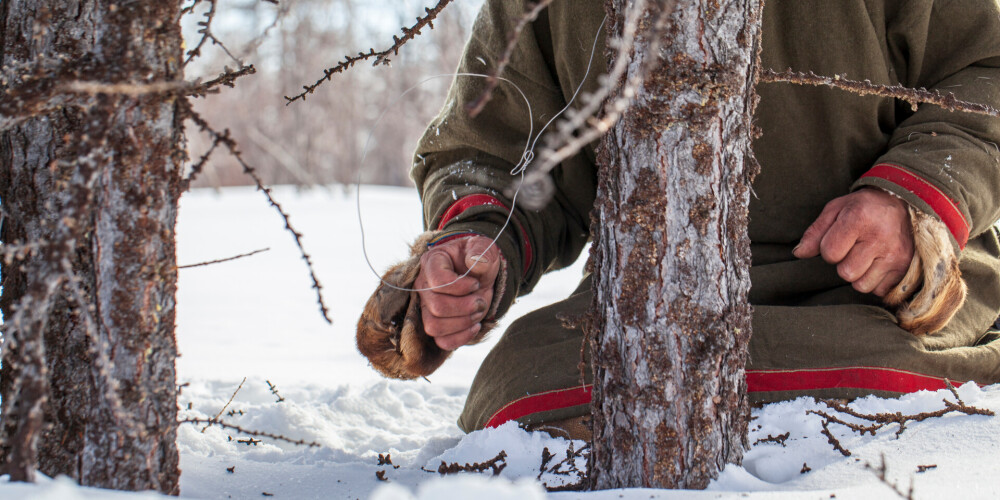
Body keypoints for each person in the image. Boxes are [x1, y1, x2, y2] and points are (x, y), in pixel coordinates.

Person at [357, 0, 1000, 439]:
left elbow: (988, 72)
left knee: (889, 386)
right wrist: (474, 247)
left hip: (877, 301)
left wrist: (911, 199)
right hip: (646, 307)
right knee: (516, 390)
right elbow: (496, 149)